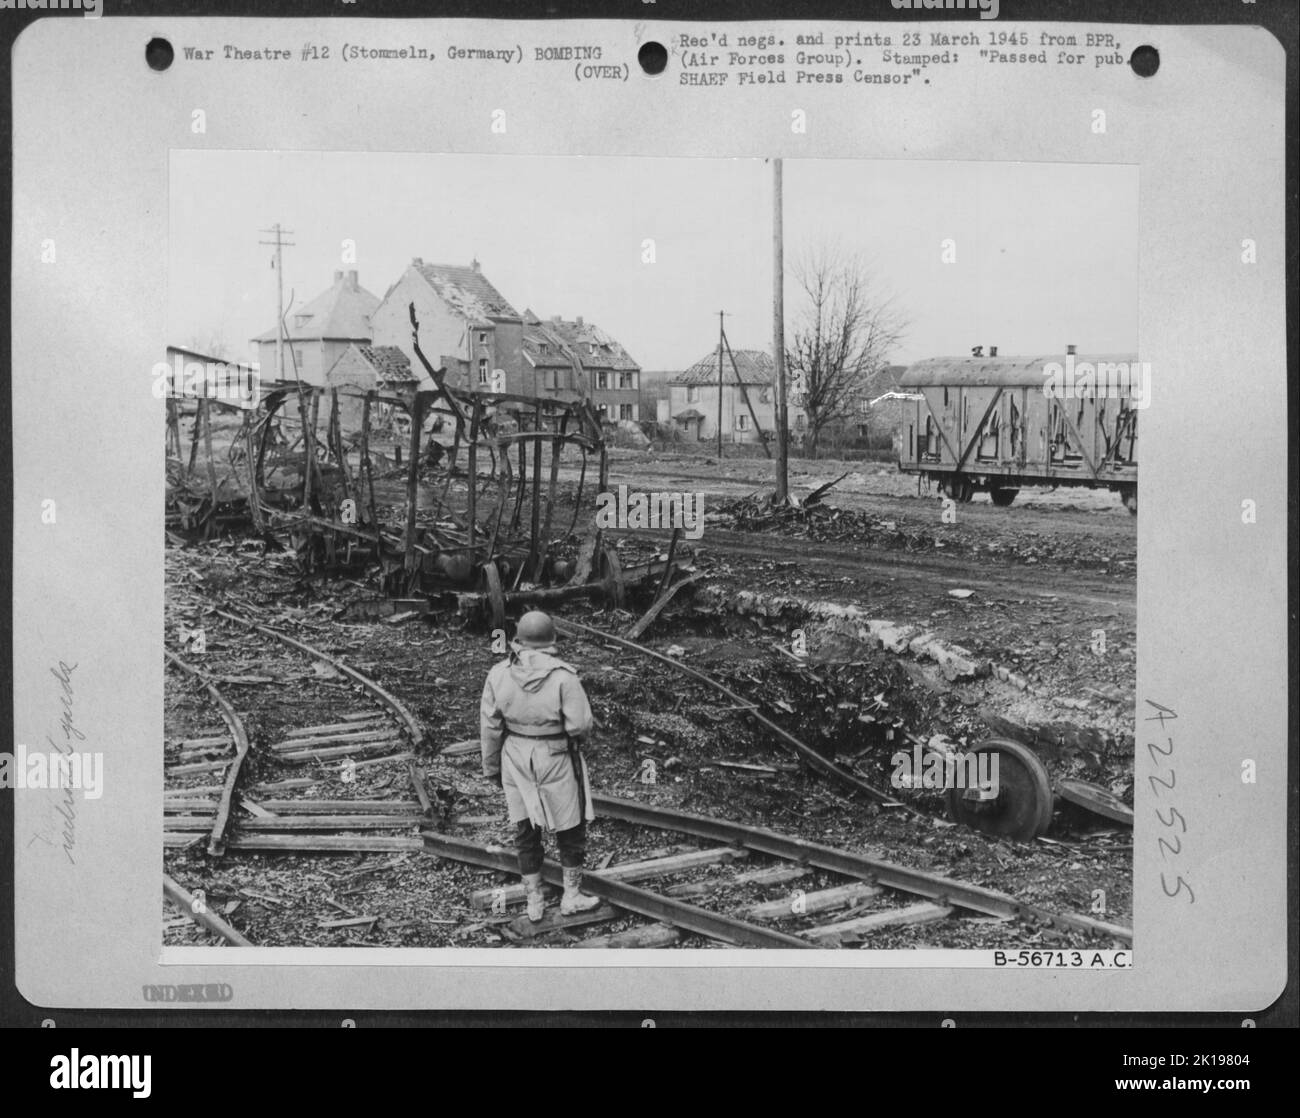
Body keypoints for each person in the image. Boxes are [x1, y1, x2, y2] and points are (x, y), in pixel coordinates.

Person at [480, 610, 600, 922]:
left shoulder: (498, 674)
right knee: (570, 825)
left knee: (525, 826)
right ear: (551, 640)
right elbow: (580, 725)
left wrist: (492, 767)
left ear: (518, 639)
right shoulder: (564, 677)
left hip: (515, 754)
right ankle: (571, 895)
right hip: (556, 753)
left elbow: (490, 728)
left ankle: (534, 900)